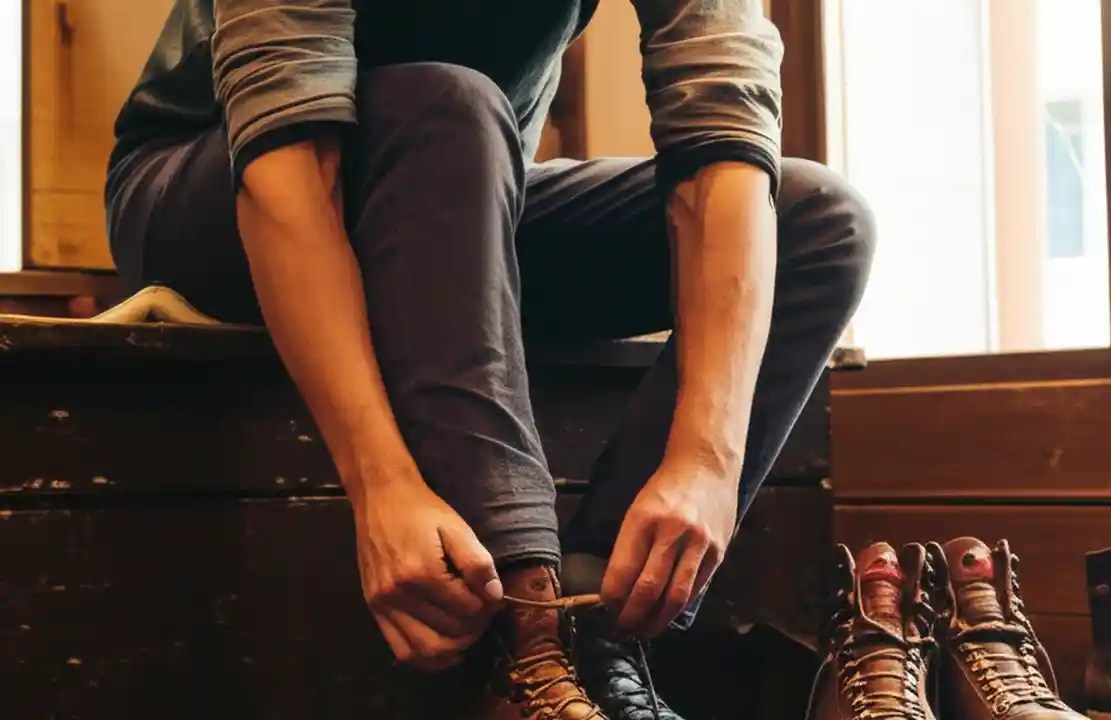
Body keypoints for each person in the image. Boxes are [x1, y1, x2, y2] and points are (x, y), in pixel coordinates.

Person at [105, 1, 875, 717]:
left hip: (466, 191)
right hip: (217, 178)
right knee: (449, 102)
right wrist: (383, 483)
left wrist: (707, 461)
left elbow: (724, 134)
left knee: (820, 219)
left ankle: (591, 625)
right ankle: (525, 646)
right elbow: (286, 155)